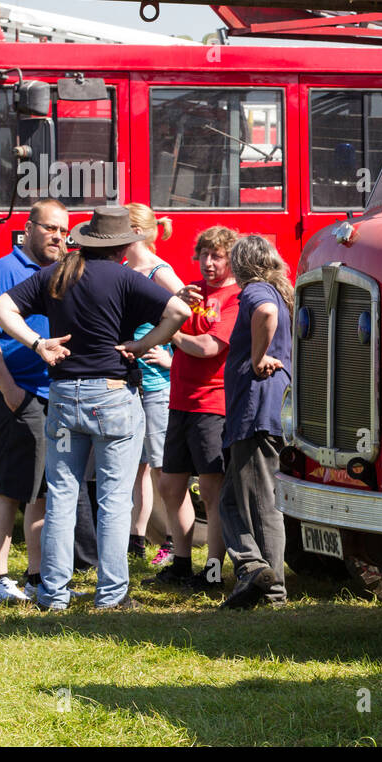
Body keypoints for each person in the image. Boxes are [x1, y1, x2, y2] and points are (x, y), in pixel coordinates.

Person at [0, 207, 191, 610]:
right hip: (114, 396)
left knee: (62, 496)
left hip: (63, 395)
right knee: (115, 499)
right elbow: (180, 312)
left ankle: (52, 594)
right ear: (122, 246)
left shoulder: (58, 274)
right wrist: (143, 346)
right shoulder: (127, 278)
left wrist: (37, 343)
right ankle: (112, 596)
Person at [0, 199, 70, 603]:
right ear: (27, 229)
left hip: (53, 394)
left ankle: (37, 578)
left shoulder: (58, 273)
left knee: (43, 490)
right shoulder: (5, 270)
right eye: (50, 229)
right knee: (8, 487)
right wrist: (9, 389)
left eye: (63, 231)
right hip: (17, 395)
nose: (58, 237)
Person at [148, 226, 240, 592]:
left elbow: (207, 347)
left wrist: (172, 333)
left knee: (212, 490)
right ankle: (182, 563)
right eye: (203, 255)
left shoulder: (236, 298)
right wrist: (174, 308)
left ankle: (214, 570)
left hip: (212, 405)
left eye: (216, 256)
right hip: (180, 401)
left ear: (231, 259)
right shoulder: (189, 292)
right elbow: (158, 318)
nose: (208, 263)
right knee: (171, 485)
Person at [218, 235, 293, 609]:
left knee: (261, 501)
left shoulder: (256, 291)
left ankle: (270, 585)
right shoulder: (278, 290)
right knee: (232, 500)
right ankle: (253, 570)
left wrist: (257, 357)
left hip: (256, 407)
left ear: (239, 264)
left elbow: (265, 314)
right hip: (270, 407)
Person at [124, 203, 187, 565]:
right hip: (130, 381)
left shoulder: (160, 272)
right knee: (137, 467)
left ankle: (171, 544)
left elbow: (190, 315)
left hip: (157, 383)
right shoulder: (123, 269)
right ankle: (136, 538)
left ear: (135, 230)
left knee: (164, 469)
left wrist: (172, 357)